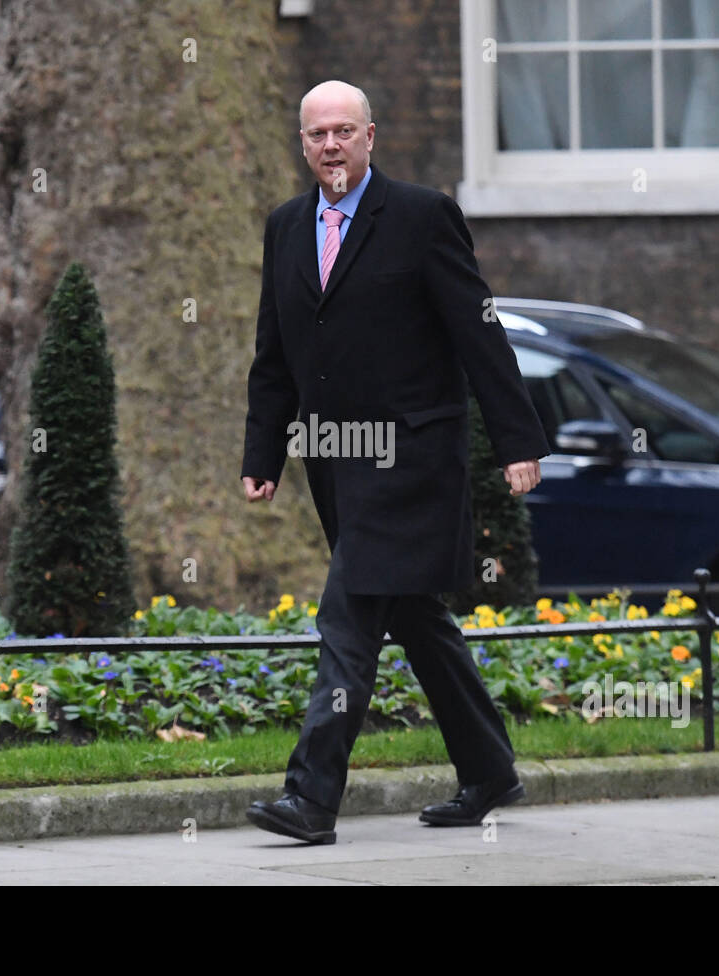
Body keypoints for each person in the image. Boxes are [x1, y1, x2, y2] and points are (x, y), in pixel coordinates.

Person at [239, 79, 551, 844]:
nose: (331, 145)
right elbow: (275, 354)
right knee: (413, 616)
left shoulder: (420, 217)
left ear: (370, 137)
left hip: (411, 459)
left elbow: (479, 332)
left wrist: (517, 442)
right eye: (318, 134)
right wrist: (264, 453)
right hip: (334, 464)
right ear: (302, 144)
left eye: (344, 131)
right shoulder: (285, 227)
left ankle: (311, 798)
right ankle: (490, 770)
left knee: (346, 616)